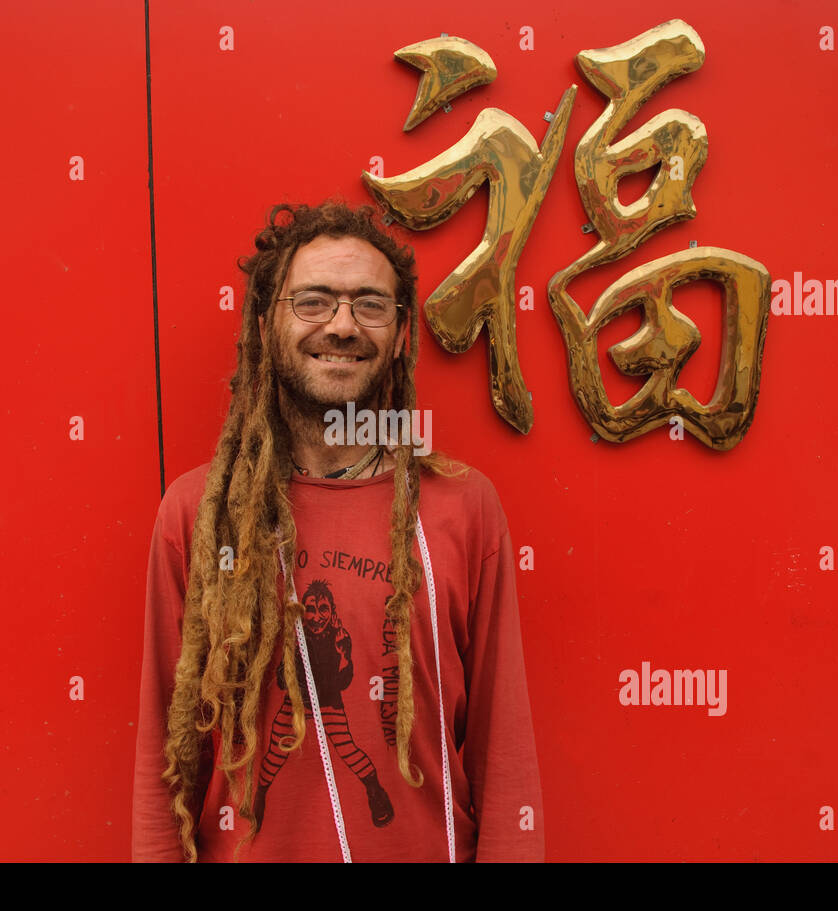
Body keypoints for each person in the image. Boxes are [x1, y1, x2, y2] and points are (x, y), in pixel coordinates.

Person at [131, 201, 544, 862]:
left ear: (400, 331)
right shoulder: (200, 513)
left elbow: (507, 756)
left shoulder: (462, 506)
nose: (344, 324)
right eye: (315, 301)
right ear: (267, 323)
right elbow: (165, 756)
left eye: (371, 304)